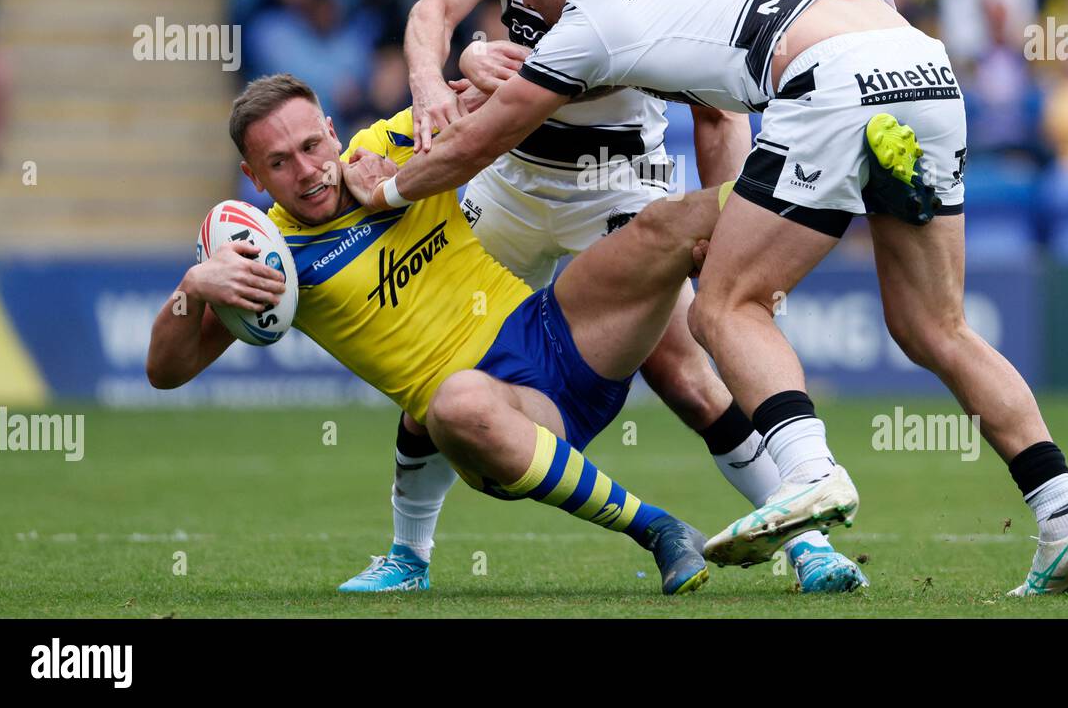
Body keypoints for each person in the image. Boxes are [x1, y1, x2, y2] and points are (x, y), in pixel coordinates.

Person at [348, 0, 1068, 597]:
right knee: (934, 326)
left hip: (831, 81)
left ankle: (812, 473)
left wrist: (383, 191)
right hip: (918, 60)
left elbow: (480, 140)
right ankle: (1067, 518)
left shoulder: (591, 17)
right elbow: (709, 91)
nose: (518, 6)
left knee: (724, 304)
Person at [382, 0, 862, 594]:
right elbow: (432, 10)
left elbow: (710, 101)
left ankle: (805, 539)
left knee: (680, 366)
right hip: (507, 177)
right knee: (434, 356)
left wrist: (721, 221)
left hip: (617, 180)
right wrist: (438, 74)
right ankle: (406, 556)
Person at [144, 73, 727, 596]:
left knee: (667, 226)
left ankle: (802, 191)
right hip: (505, 417)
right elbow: (165, 373)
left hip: (561, 336)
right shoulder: (273, 262)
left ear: (331, 129)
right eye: (278, 163)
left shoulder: (390, 143)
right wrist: (192, 288)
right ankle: (660, 530)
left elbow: (510, 90)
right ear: (252, 175)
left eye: (312, 146)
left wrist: (477, 60)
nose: (307, 171)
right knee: (449, 401)